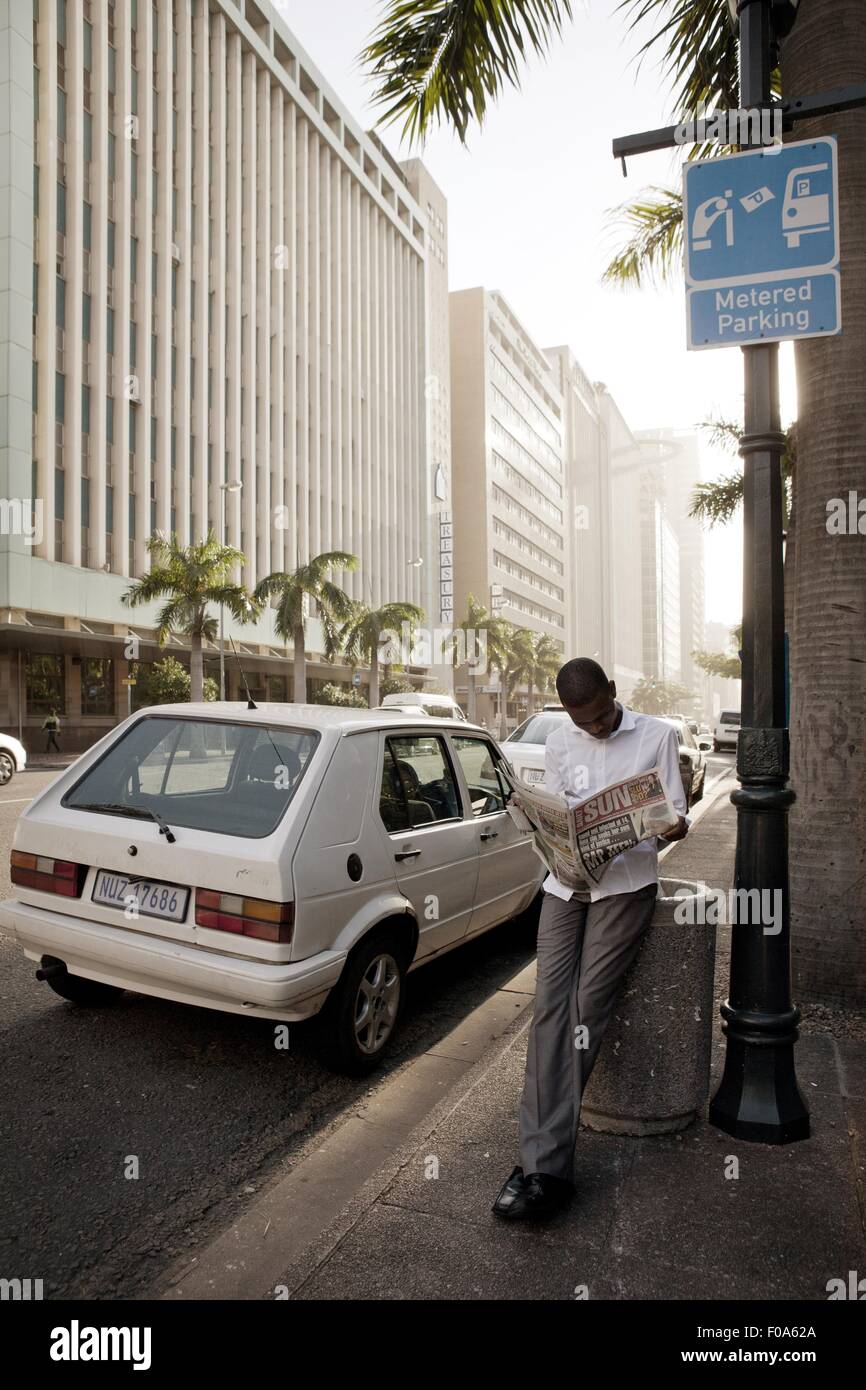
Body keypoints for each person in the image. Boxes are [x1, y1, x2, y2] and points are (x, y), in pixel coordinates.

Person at [492, 657, 689, 1221]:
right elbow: (557, 811)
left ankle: (544, 1166)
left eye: (602, 717)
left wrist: (672, 823)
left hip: (625, 885)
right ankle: (540, 1159)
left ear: (613, 693)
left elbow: (674, 813)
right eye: (585, 723)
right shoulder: (561, 741)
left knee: (583, 1014)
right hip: (566, 884)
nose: (596, 730)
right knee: (548, 1009)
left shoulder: (656, 735)